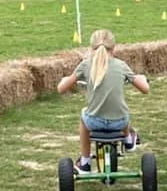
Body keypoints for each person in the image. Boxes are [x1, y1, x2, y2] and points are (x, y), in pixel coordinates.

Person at [57, 29, 149, 174]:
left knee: (84, 114)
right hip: (119, 122)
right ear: (114, 47)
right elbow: (145, 89)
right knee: (122, 110)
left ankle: (85, 162)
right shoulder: (121, 65)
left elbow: (61, 89)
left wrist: (65, 80)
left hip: (95, 122)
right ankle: (128, 140)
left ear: (91, 48)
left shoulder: (86, 65)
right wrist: (142, 79)